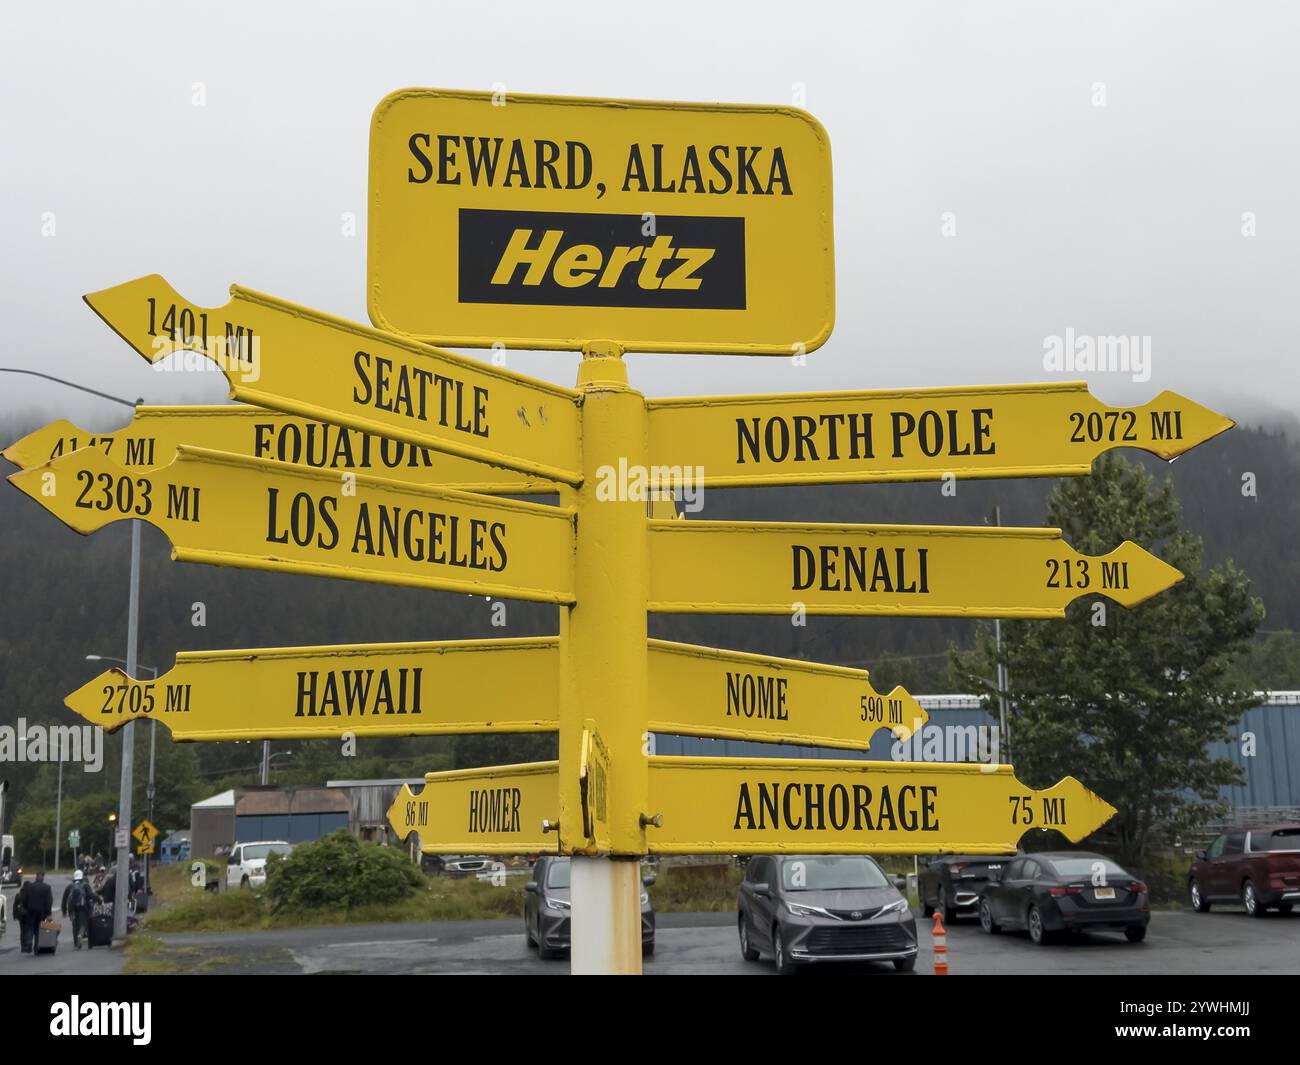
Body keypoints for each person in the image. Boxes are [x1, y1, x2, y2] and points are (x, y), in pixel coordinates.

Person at [15, 871, 53, 955]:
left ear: (36, 877)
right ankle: (36, 947)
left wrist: (25, 908)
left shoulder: (29, 887)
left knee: (30, 927)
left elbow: (24, 899)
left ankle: (29, 942)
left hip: (30, 911)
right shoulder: (47, 887)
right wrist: (49, 913)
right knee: (38, 929)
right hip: (41, 912)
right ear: (42, 878)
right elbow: (48, 902)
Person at [61, 869, 93, 949]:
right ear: (82, 876)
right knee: (83, 924)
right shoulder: (85, 885)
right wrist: (98, 899)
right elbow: (90, 895)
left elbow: (64, 899)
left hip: (72, 910)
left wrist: (64, 910)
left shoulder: (70, 886)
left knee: (74, 925)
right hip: (83, 909)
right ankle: (81, 935)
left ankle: (76, 943)